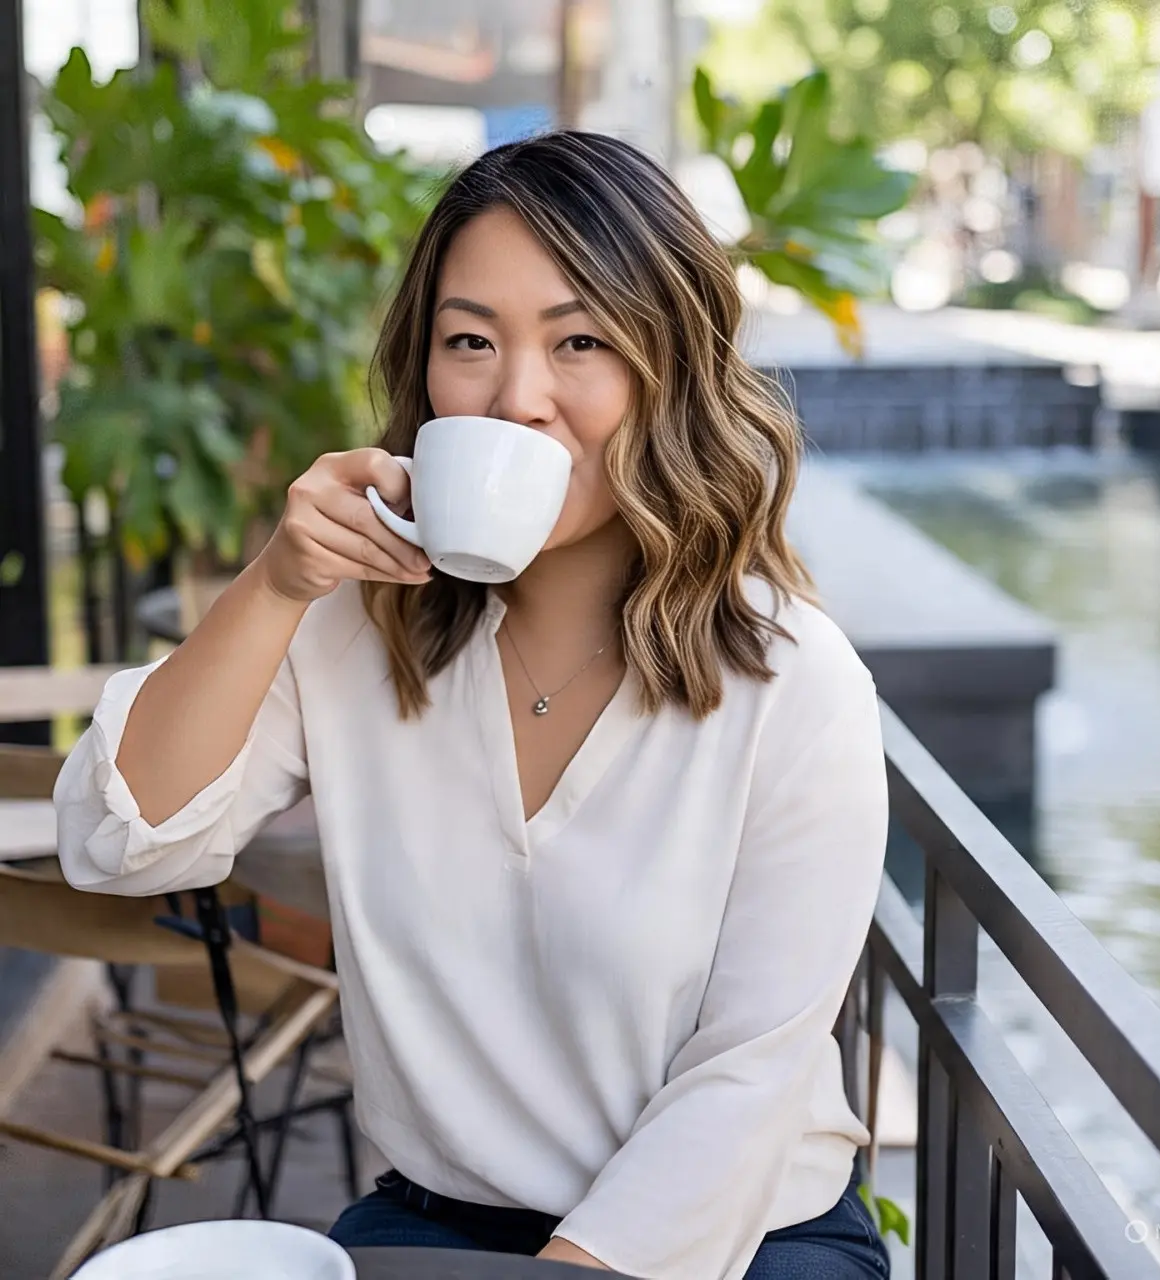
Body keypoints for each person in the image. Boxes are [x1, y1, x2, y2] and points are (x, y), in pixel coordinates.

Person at [54, 132, 890, 1280]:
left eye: (579, 341)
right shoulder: (352, 624)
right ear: (424, 373)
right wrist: (275, 584)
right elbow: (116, 843)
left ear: (669, 365)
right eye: (469, 343)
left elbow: (747, 1076)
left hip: (739, 1231)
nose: (515, 399)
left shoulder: (793, 680)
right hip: (438, 1222)